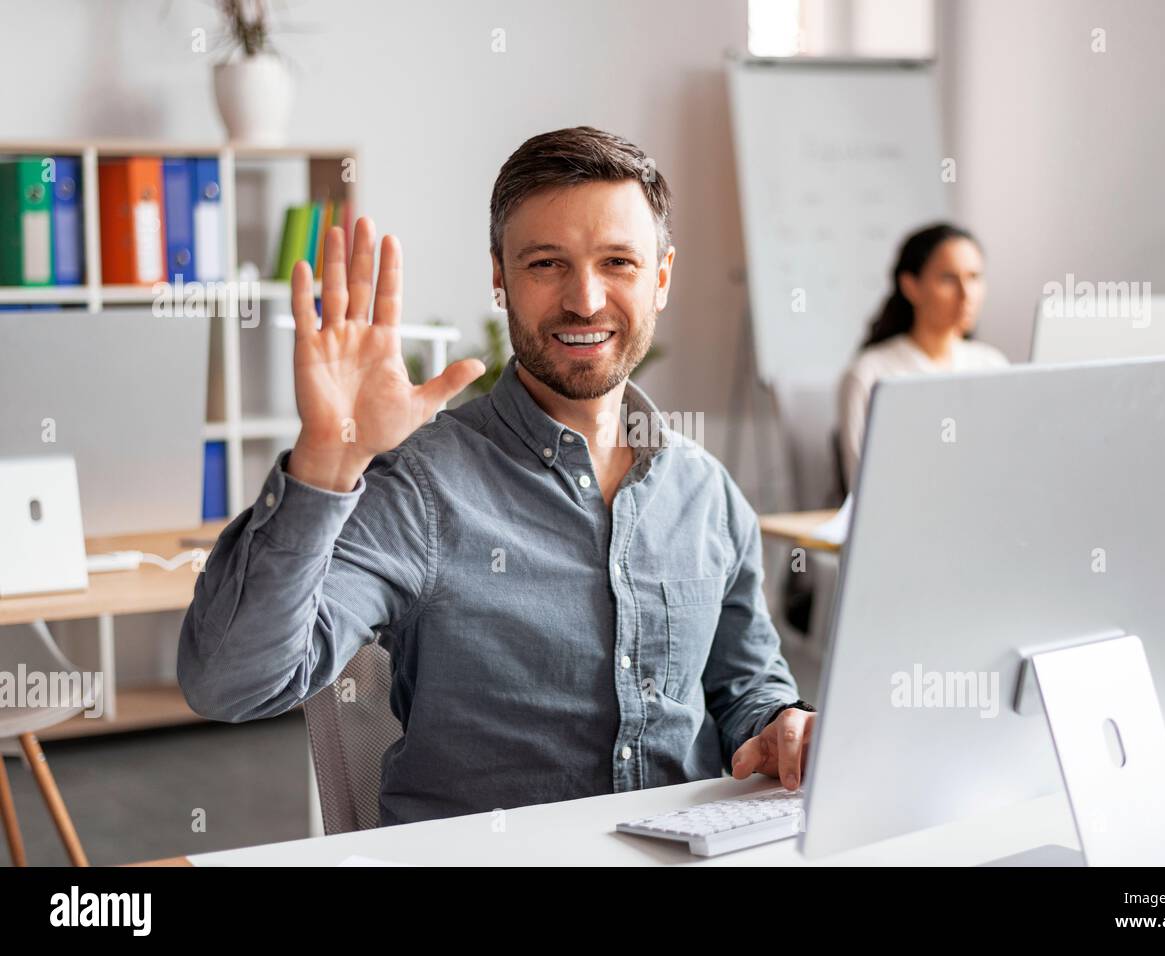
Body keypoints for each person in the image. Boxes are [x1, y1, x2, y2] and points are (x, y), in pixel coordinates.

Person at [177, 127, 816, 825]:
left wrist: (782, 724)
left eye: (618, 262)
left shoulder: (706, 491)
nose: (585, 299)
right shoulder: (421, 489)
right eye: (546, 264)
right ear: (499, 276)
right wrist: (326, 464)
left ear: (660, 277)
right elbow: (230, 685)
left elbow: (745, 685)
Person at [838, 223, 1009, 491]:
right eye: (948, 279)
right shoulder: (870, 374)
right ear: (911, 286)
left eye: (975, 277)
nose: (967, 295)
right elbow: (862, 486)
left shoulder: (992, 365)